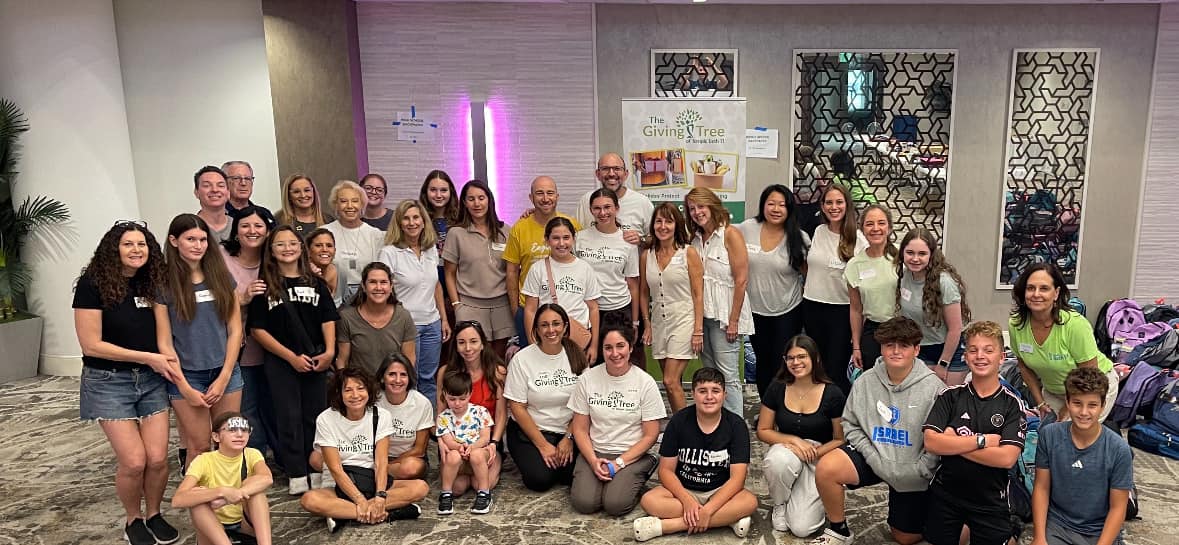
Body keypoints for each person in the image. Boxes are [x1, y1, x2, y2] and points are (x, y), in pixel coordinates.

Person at [73, 220, 181, 545]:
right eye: (128, 244)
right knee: (134, 461)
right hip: (108, 381)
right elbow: (91, 345)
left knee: (158, 458)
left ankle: (154, 513)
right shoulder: (92, 284)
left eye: (142, 244)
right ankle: (133, 518)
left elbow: (163, 335)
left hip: (150, 379)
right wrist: (147, 357)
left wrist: (162, 364)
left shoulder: (152, 282)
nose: (136, 250)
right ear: (114, 249)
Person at [809, 316, 943, 545]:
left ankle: (950, 520)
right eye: (890, 345)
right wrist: (872, 457)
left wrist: (921, 469)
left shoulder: (935, 388)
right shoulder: (865, 381)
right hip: (875, 456)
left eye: (904, 345)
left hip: (913, 469)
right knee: (827, 467)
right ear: (881, 348)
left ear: (916, 349)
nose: (896, 351)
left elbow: (939, 440)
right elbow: (850, 423)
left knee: (905, 537)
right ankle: (839, 530)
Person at [247, 226, 339, 495]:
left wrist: (329, 352)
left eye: (292, 243)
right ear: (271, 251)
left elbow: (328, 319)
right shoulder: (265, 286)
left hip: (316, 359)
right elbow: (257, 330)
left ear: (301, 247)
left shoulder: (316, 283)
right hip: (280, 361)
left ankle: (316, 467)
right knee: (288, 416)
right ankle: (296, 471)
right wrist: (290, 357)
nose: (287, 248)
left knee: (316, 416)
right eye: (280, 244)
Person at [921, 320, 1026, 545]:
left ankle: (1011, 530)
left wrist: (953, 443)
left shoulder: (1012, 404)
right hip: (947, 495)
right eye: (973, 350)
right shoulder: (950, 396)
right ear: (965, 357)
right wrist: (982, 441)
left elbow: (1006, 458)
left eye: (988, 350)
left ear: (1001, 357)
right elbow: (931, 442)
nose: (980, 356)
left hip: (990, 499)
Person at [155, 214, 243, 471]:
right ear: (174, 241)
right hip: (187, 375)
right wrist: (183, 386)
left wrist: (225, 376)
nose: (198, 245)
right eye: (190, 239)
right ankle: (198, 495)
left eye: (203, 239)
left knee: (229, 442)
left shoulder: (221, 277)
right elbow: (165, 342)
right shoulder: (164, 284)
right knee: (200, 445)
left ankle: (229, 494)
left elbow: (235, 330)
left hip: (226, 372)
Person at [632, 368, 757, 542]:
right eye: (702, 391)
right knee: (649, 500)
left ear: (724, 395)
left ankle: (668, 526)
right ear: (693, 394)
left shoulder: (736, 425)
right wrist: (687, 501)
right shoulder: (678, 421)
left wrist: (709, 509)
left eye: (715, 391)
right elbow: (666, 471)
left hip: (719, 490)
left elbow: (738, 478)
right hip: (684, 489)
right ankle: (727, 520)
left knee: (749, 502)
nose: (709, 397)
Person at [302, 368, 427, 533]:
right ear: (339, 393)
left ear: (369, 390)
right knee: (309, 500)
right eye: (348, 390)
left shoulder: (381, 415)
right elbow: (335, 469)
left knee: (420, 487)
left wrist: (380, 496)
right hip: (340, 483)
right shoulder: (326, 419)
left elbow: (381, 462)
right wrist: (359, 499)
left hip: (370, 478)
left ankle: (344, 514)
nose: (355, 395)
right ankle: (388, 513)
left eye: (360, 388)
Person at [567, 326, 667, 516]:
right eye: (608, 348)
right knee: (584, 503)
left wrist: (619, 463)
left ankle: (646, 466)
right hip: (596, 450)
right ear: (602, 350)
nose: (615, 353)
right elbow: (579, 429)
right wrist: (593, 461)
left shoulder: (645, 382)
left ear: (630, 347)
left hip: (631, 453)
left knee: (616, 505)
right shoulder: (587, 379)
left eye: (620, 346)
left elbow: (651, 434)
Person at [757, 335, 846, 537]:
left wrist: (814, 452)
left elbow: (840, 438)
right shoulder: (777, 387)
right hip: (786, 447)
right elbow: (763, 430)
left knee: (802, 528)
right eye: (790, 358)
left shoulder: (833, 393)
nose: (795, 362)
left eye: (802, 356)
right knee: (777, 461)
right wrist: (795, 441)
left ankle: (808, 495)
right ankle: (780, 503)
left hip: (818, 456)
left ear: (815, 358)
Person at [1032, 367, 1132, 545]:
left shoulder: (1119, 449)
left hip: (1098, 530)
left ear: (1102, 406)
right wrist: (1039, 537)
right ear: (1067, 402)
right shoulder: (1049, 435)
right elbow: (1041, 487)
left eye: (1092, 405)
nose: (1084, 412)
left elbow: (1118, 508)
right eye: (1077, 403)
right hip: (1058, 525)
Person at [1010, 263, 1119, 421]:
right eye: (1030, 288)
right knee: (1048, 433)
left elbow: (1089, 373)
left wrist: (1068, 408)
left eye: (1044, 288)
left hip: (1092, 388)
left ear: (1056, 293)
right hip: (1053, 391)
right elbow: (1024, 367)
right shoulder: (1016, 324)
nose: (1036, 294)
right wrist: (1040, 403)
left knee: (1072, 432)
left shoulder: (1075, 325)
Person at [504, 304, 589, 492]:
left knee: (570, 476)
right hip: (532, 431)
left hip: (569, 429)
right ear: (536, 329)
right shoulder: (522, 359)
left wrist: (569, 437)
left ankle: (560, 463)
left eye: (556, 324)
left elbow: (584, 404)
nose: (551, 330)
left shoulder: (576, 355)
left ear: (565, 326)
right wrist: (543, 445)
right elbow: (517, 407)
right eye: (544, 325)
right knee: (540, 480)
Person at [738, 184, 810, 398]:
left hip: (788, 310)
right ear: (763, 205)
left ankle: (785, 407)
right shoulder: (747, 228)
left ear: (789, 208)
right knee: (762, 361)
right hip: (755, 311)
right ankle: (767, 407)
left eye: (782, 205)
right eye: (771, 204)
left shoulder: (799, 237)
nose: (776, 209)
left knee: (784, 362)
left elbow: (809, 274)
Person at [685, 187, 751, 415]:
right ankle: (715, 421)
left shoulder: (730, 234)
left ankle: (736, 426)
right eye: (691, 208)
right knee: (711, 375)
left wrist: (733, 321)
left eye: (701, 206)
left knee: (728, 376)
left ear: (712, 205)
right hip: (701, 317)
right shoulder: (694, 239)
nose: (697, 212)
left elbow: (741, 280)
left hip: (724, 318)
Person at [220, 207, 279, 458]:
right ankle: (255, 459)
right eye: (245, 225)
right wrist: (243, 298)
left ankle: (281, 457)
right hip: (238, 345)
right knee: (248, 405)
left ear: (268, 231)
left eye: (258, 226)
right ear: (236, 231)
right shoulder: (222, 257)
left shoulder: (277, 257)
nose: (252, 231)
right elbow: (212, 298)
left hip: (275, 345)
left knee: (274, 404)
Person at [379, 200, 450, 403]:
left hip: (432, 324)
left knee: (428, 379)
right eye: (406, 218)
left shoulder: (430, 249)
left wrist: (444, 319)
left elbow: (436, 286)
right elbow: (383, 291)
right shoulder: (389, 253)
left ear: (423, 221)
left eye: (416, 217)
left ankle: (428, 420)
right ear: (399, 223)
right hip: (406, 326)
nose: (412, 223)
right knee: (408, 378)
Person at [802, 183, 867, 394]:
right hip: (812, 306)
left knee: (836, 368)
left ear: (847, 205)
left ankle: (838, 411)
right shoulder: (818, 231)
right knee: (815, 366)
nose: (834, 207)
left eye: (839, 202)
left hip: (841, 310)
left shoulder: (858, 240)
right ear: (822, 206)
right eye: (828, 202)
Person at [171, 412, 273, 545]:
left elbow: (267, 478)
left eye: (244, 429)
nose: (240, 434)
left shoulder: (252, 454)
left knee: (257, 492)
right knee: (197, 499)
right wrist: (221, 491)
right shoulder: (204, 460)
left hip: (244, 522)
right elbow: (178, 500)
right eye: (232, 430)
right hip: (213, 525)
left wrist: (235, 495)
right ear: (216, 436)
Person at [639, 203, 704, 413]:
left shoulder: (688, 253)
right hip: (659, 322)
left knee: (670, 380)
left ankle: (685, 427)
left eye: (669, 221)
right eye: (658, 221)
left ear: (677, 225)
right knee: (671, 384)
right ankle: (679, 422)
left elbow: (698, 294)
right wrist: (647, 325)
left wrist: (698, 330)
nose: (663, 226)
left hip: (684, 321)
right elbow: (643, 292)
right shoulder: (647, 255)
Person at [442, 179, 514, 359]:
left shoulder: (505, 231)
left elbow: (513, 270)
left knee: (498, 360)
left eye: (481, 198)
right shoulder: (456, 233)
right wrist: (456, 305)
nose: (477, 203)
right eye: (471, 199)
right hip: (469, 305)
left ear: (489, 200)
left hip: (502, 305)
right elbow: (449, 273)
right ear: (464, 203)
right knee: (474, 359)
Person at [504, 175, 580, 346]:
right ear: (531, 198)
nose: (545, 198)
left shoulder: (572, 225)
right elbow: (511, 271)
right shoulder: (520, 228)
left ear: (557, 196)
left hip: (565, 307)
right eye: (539, 193)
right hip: (529, 309)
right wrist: (516, 310)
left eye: (550, 193)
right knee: (532, 357)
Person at [436, 321, 508, 497]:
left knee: (480, 484)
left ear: (483, 343)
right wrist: (441, 441)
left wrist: (494, 443)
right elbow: (441, 413)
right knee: (457, 488)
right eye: (461, 342)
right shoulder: (445, 372)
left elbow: (501, 414)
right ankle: (464, 470)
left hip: (484, 441)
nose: (468, 348)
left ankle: (488, 463)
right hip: (454, 443)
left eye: (473, 341)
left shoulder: (497, 372)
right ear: (456, 346)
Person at [896, 227, 972, 385]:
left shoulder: (945, 282)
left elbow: (955, 329)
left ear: (931, 255)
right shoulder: (904, 276)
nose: (915, 259)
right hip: (921, 347)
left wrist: (943, 363)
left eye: (922, 254)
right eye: (910, 253)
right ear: (902, 253)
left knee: (946, 396)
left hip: (949, 349)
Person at [575, 188, 641, 365]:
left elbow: (633, 284)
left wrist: (635, 322)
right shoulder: (579, 238)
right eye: (597, 208)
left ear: (617, 208)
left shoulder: (628, 241)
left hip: (619, 310)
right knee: (590, 363)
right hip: (587, 311)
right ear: (591, 210)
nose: (602, 213)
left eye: (607, 207)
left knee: (618, 363)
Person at [522, 217, 602, 361]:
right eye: (555, 238)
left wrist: (594, 346)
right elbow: (530, 309)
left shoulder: (584, 268)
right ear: (547, 240)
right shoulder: (537, 269)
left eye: (566, 237)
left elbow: (593, 308)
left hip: (577, 340)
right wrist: (532, 343)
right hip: (547, 337)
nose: (561, 243)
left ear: (573, 239)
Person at [335, 262, 417, 379]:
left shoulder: (403, 316)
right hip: (360, 386)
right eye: (372, 282)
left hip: (392, 385)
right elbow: (342, 360)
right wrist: (344, 383)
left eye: (383, 282)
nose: (378, 287)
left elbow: (409, 360)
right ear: (363, 286)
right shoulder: (347, 317)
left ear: (391, 286)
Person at [845, 204, 898, 372]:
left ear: (889, 227)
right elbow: (855, 309)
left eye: (881, 223)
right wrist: (856, 346)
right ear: (862, 229)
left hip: (902, 329)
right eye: (869, 224)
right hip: (872, 331)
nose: (876, 228)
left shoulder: (902, 258)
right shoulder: (855, 265)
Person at [436, 371, 497, 515]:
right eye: (452, 399)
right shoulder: (443, 417)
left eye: (462, 399)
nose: (457, 403)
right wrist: (459, 447)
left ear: (470, 394)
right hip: (460, 457)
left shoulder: (480, 412)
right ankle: (446, 494)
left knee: (476, 455)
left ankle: (484, 493)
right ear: (444, 395)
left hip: (479, 452)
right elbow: (448, 440)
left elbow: (485, 438)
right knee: (452, 457)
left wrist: (472, 447)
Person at [323, 180, 384, 304]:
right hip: (334, 299)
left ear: (362, 204)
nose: (350, 206)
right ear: (336, 205)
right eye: (343, 201)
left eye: (355, 201)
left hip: (367, 298)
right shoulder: (324, 233)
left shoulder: (375, 235)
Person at [375, 355, 434, 480]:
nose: (398, 380)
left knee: (411, 468)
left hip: (408, 458)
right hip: (377, 456)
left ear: (409, 378)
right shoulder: (373, 400)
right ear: (382, 378)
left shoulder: (422, 403)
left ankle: (378, 475)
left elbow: (419, 450)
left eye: (403, 375)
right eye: (392, 374)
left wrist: (387, 466)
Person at [575, 153, 654, 240]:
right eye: (605, 169)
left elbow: (654, 239)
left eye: (617, 168)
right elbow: (576, 236)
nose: (611, 174)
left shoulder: (642, 202)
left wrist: (641, 240)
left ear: (626, 174)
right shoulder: (586, 200)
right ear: (598, 174)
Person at [221, 160, 276, 228]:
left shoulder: (264, 213)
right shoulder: (217, 214)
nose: (243, 183)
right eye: (236, 178)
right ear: (224, 182)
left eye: (247, 178)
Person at [275, 174, 330, 239]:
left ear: (313, 192)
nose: (303, 195)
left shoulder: (327, 220)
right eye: (296, 192)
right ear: (288, 196)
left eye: (307, 190)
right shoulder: (278, 221)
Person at [193, 166, 233, 242]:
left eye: (220, 185)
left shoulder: (239, 226)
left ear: (228, 192)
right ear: (196, 192)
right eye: (206, 186)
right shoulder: (188, 227)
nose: (215, 190)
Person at [305, 228, 343, 306]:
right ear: (308, 251)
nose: (325, 249)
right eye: (318, 245)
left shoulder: (341, 272)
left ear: (334, 251)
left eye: (329, 246)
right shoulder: (301, 275)